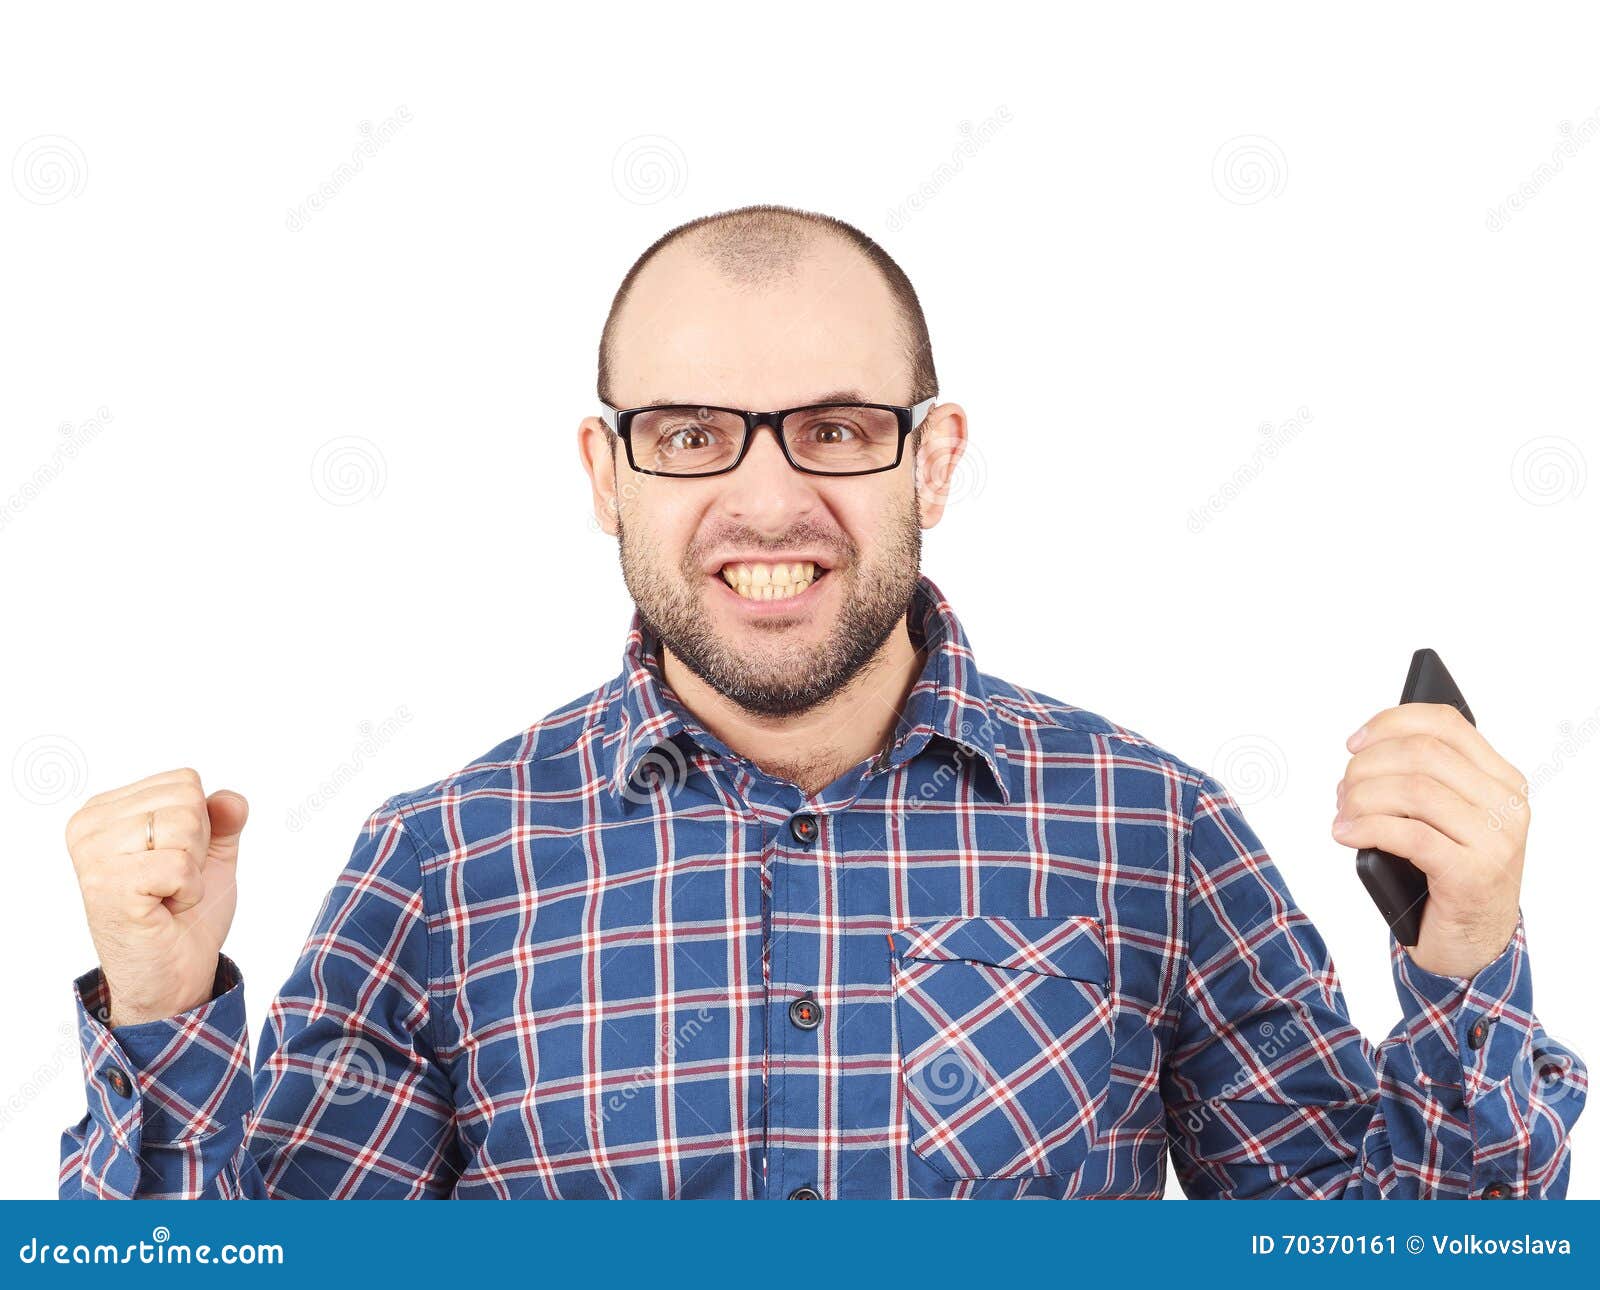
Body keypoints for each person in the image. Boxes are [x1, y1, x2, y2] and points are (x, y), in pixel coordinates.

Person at [60, 205, 1583, 1199]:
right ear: (607, 475)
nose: (769, 497)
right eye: (692, 433)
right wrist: (160, 1010)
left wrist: (1465, 951)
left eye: (839, 428)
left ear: (934, 459)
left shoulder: (1155, 831)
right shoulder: (441, 865)